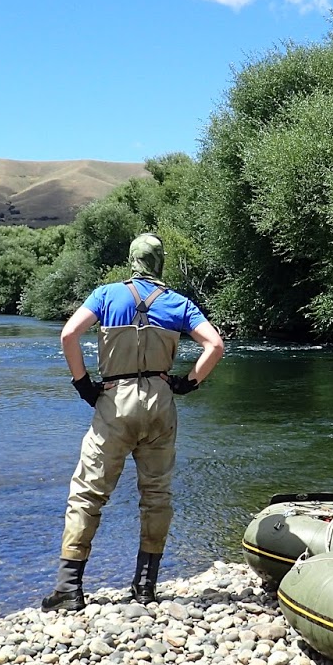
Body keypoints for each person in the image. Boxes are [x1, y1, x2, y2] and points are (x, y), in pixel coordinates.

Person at [41, 232, 225, 611]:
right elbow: (215, 345)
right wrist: (188, 383)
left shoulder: (106, 294)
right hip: (160, 402)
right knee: (156, 495)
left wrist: (83, 385)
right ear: (159, 263)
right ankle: (145, 586)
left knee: (88, 493)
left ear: (132, 260)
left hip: (115, 401)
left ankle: (69, 588)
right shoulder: (179, 303)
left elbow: (69, 334)